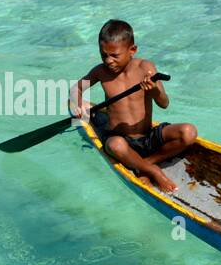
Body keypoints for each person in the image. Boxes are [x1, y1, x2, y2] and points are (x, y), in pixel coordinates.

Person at [71, 19, 196, 193]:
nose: (108, 61)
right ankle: (152, 170)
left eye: (114, 55)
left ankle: (145, 163)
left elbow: (164, 104)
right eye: (103, 55)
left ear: (132, 50)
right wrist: (77, 104)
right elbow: (76, 88)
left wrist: (153, 91)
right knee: (115, 146)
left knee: (189, 132)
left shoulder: (145, 68)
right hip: (121, 140)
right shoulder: (100, 72)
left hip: (147, 137)